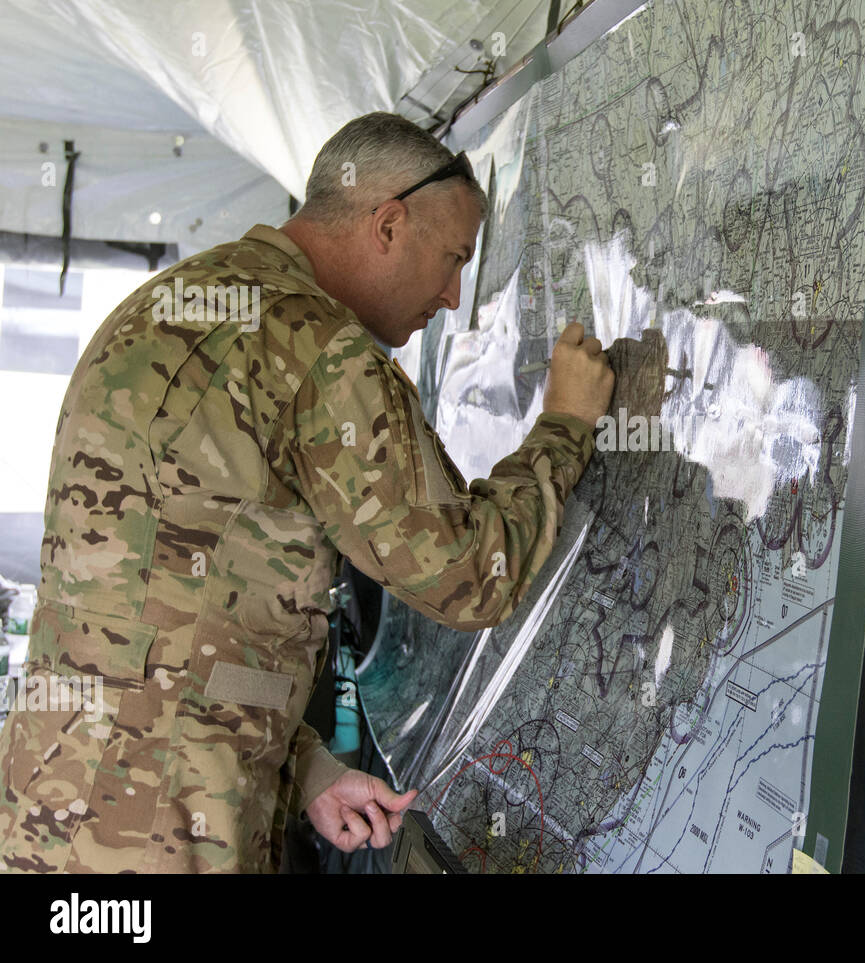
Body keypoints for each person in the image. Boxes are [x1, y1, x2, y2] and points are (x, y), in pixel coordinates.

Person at [0, 112, 614, 872]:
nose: (454, 297)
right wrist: (565, 423)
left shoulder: (158, 306)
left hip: (51, 806)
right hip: (168, 830)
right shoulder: (320, 348)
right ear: (388, 224)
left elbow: (162, 620)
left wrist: (305, 769)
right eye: (454, 259)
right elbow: (468, 577)